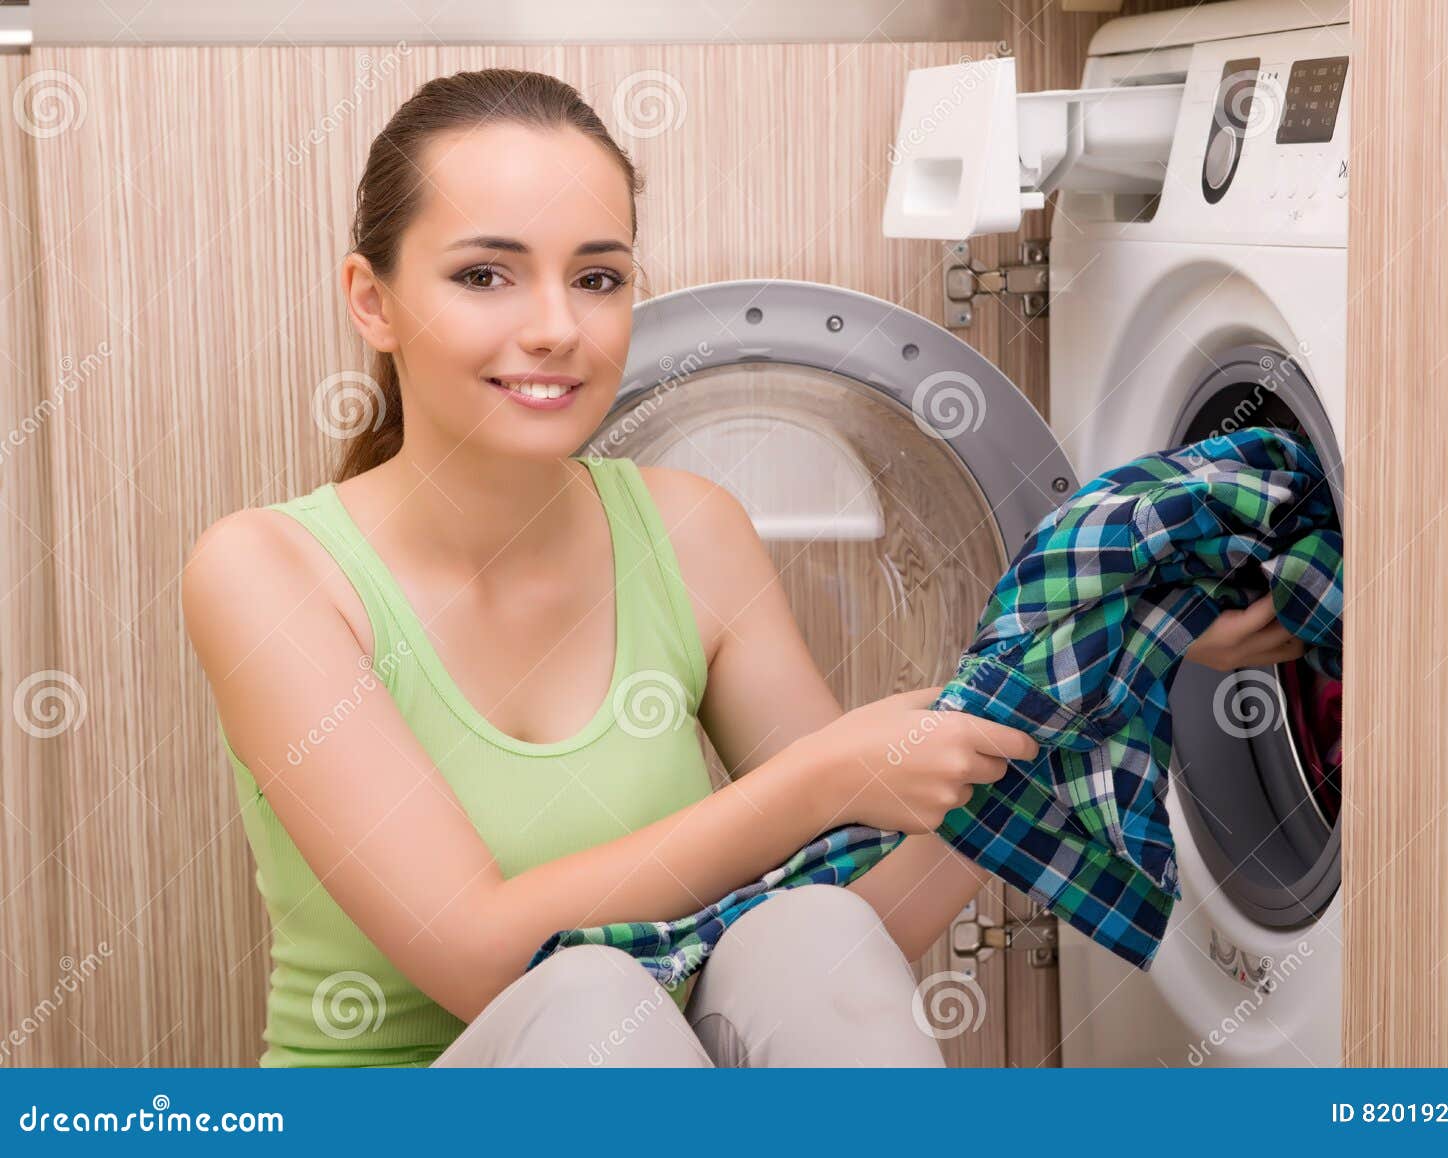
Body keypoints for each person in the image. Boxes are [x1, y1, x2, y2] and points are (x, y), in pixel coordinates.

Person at [182, 68, 1303, 1069]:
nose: (555, 329)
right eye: (486, 276)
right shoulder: (271, 573)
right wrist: (818, 780)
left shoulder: (689, 533)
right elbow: (482, 958)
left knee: (807, 934)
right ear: (372, 300)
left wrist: (1086, 673)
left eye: (598, 278)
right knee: (584, 996)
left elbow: (857, 920)